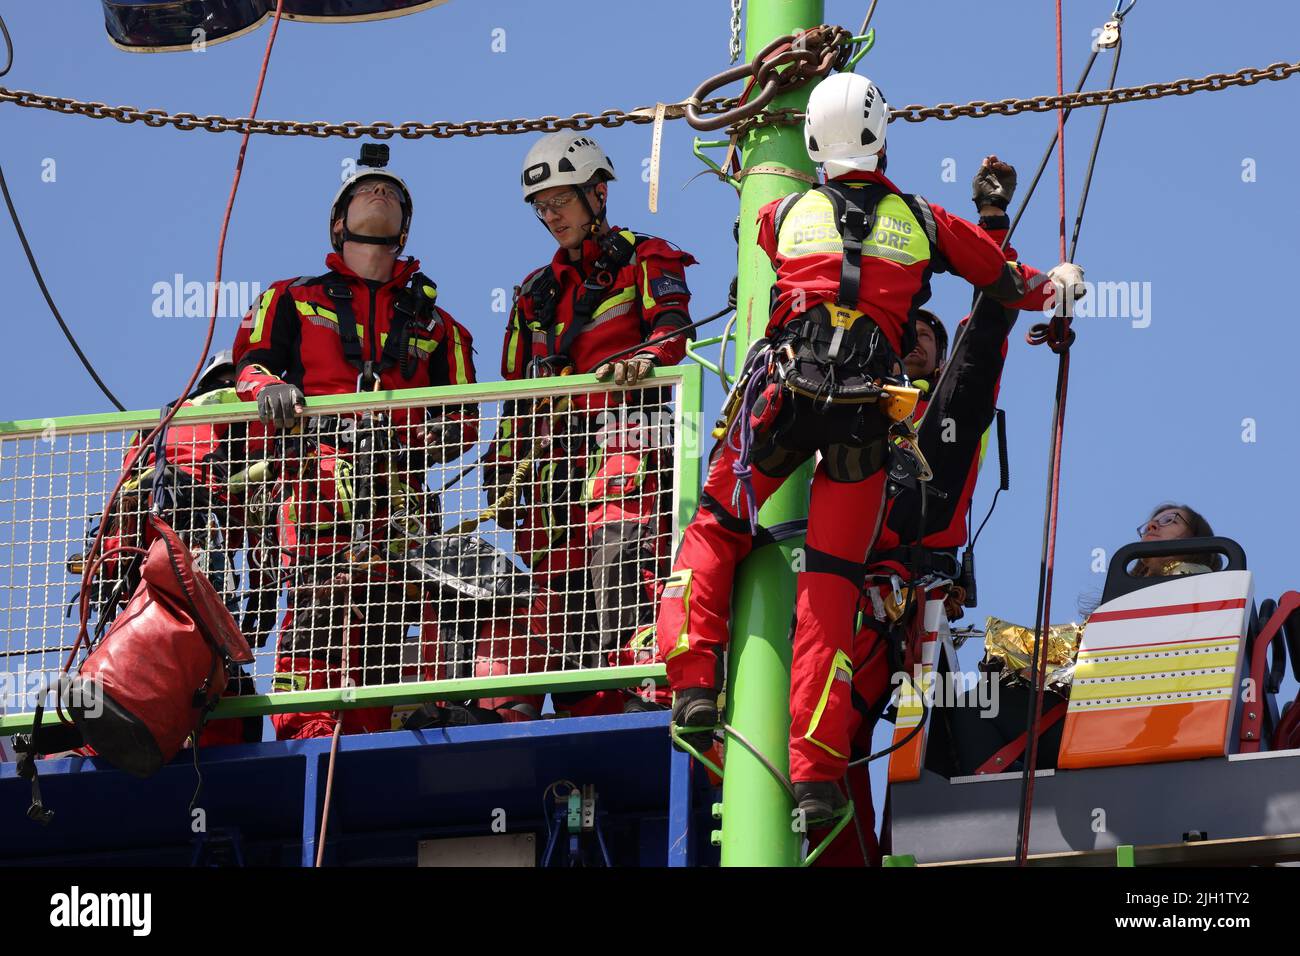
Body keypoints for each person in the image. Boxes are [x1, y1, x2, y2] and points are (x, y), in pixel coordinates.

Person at [656, 72, 1085, 825]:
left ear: (813, 144)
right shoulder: (921, 220)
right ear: (884, 137)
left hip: (783, 397)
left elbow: (765, 243)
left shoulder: (782, 211)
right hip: (864, 414)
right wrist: (1060, 285)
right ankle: (818, 779)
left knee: (716, 529)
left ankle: (691, 684)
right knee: (829, 585)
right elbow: (1010, 283)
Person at [810, 155, 1036, 865]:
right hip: (833, 582)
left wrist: (992, 219)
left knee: (853, 730)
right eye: (904, 330)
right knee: (825, 734)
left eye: (927, 336)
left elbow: (994, 311)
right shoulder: (844, 396)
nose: (913, 340)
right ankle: (849, 853)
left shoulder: (951, 409)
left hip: (899, 597)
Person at [232, 146, 478, 740]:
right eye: (363, 191)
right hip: (313, 485)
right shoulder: (289, 298)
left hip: (397, 498)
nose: (380, 193)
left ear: (404, 229)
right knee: (316, 607)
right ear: (338, 223)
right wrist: (271, 393)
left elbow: (465, 420)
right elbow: (250, 369)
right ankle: (308, 737)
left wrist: (402, 437)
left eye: (392, 194)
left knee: (392, 616)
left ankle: (380, 735)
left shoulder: (439, 327)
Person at [485, 131, 697, 717]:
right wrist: (501, 467)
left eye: (561, 200)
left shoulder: (646, 257)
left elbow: (675, 329)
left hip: (626, 437)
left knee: (624, 553)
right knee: (556, 584)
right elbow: (519, 395)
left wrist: (646, 359)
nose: (550, 214)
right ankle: (575, 704)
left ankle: (637, 685)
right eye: (541, 205)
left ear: (598, 193)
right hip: (555, 467)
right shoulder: (535, 292)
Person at [935, 500, 1221, 778]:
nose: (1154, 524)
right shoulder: (1136, 596)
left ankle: (992, 794)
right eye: (1152, 521)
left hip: (1122, 722)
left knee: (979, 704)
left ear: (1196, 540)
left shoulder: (1189, 594)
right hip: (1115, 717)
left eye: (1171, 520)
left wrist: (1020, 657)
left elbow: (1103, 660)